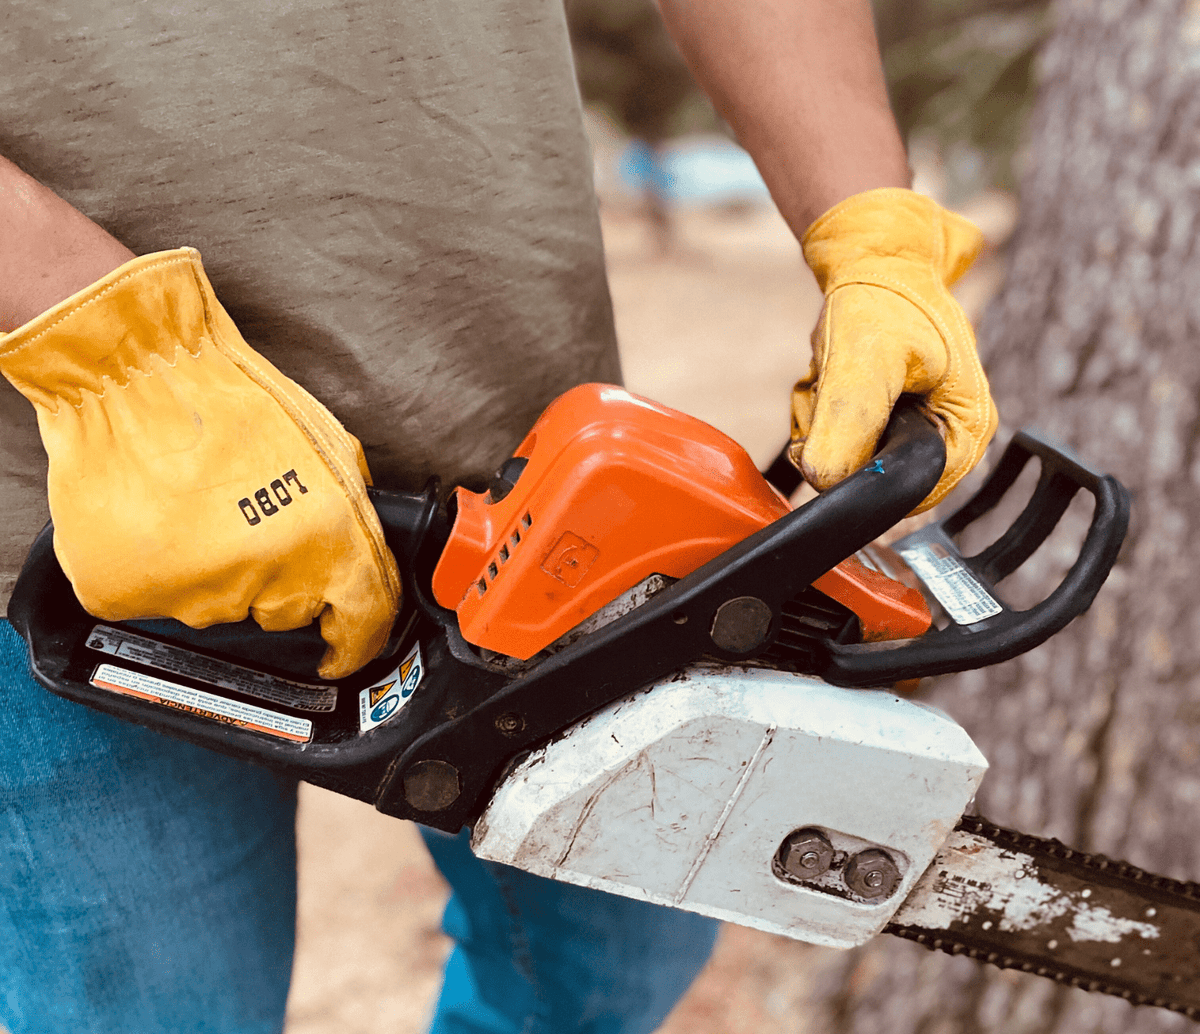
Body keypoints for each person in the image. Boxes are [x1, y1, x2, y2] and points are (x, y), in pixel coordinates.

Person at [0, 1, 997, 1032]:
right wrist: (108, 355)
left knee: (618, 955)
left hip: (511, 418)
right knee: (150, 1007)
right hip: (74, 486)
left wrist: (871, 226)